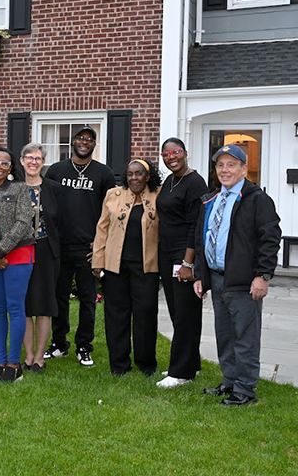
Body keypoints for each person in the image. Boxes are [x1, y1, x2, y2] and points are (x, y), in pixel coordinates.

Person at [194, 144, 281, 406]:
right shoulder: (211, 199)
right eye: (220, 165)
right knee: (225, 335)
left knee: (245, 336)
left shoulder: (257, 199)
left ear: (244, 168)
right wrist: (201, 275)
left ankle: (245, 390)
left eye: (232, 164)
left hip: (243, 281)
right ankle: (229, 380)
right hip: (218, 278)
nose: (225, 170)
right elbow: (202, 240)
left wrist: (262, 276)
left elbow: (270, 238)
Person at [44, 125, 116, 367]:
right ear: (73, 141)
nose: (84, 142)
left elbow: (109, 212)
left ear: (94, 145)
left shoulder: (103, 173)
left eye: (89, 139)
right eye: (80, 138)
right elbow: (47, 207)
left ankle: (84, 346)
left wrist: (100, 244)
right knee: (59, 296)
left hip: (88, 247)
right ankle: (59, 343)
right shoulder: (56, 170)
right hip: (60, 245)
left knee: (88, 298)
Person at [92, 159, 162, 377]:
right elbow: (102, 229)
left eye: (139, 173)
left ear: (148, 176)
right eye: (130, 174)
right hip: (116, 266)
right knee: (116, 315)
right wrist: (97, 260)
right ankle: (119, 364)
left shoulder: (159, 195)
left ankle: (146, 363)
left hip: (147, 267)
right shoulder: (113, 195)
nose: (134, 178)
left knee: (145, 315)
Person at [0, 147, 36, 383]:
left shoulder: (20, 189)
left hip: (19, 254)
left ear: (12, 168)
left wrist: (1, 250)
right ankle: (1, 362)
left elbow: (23, 221)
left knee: (15, 308)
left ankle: (14, 364)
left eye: (4, 163)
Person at [155, 138, 208, 388]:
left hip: (184, 255)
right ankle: (190, 364)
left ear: (185, 153)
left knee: (186, 312)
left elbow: (195, 226)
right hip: (167, 254)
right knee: (178, 311)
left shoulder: (195, 182)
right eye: (166, 153)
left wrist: (188, 262)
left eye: (175, 152)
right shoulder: (170, 180)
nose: (171, 156)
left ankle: (181, 373)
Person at [20, 143, 60, 373]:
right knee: (24, 304)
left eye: (38, 158)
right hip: (20, 250)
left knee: (44, 304)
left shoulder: (54, 189)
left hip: (46, 250)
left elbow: (62, 222)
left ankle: (40, 357)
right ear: (22, 160)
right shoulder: (13, 188)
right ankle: (28, 355)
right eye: (29, 157)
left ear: (43, 162)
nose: (33, 162)